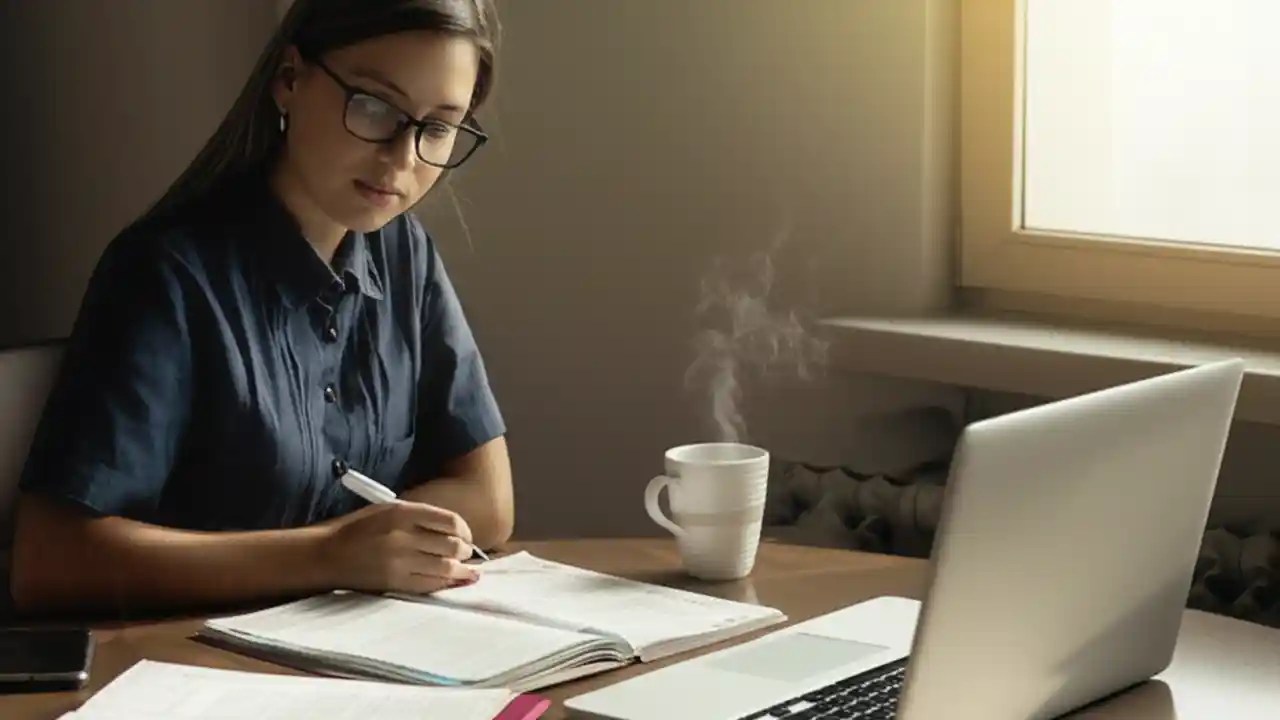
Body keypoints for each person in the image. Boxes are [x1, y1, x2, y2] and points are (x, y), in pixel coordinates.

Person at [8, 0, 511, 615]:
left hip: (354, 652)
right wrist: (329, 554)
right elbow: (49, 559)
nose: (404, 160)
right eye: (375, 106)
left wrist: (375, 550)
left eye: (436, 128)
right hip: (184, 668)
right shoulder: (167, 275)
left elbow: (488, 500)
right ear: (290, 79)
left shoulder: (405, 253)